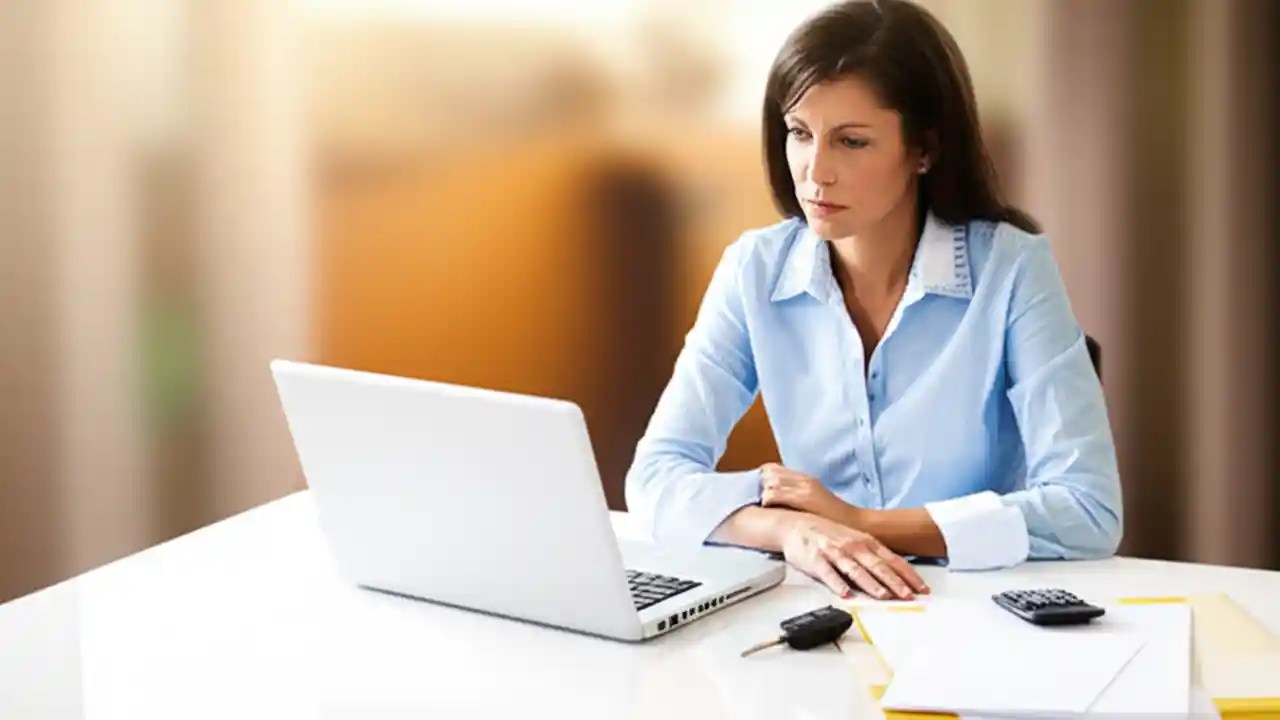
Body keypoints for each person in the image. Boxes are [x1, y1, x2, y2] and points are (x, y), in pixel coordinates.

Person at [624, 0, 1122, 601]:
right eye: (800, 134)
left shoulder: (1012, 270)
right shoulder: (755, 270)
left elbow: (1089, 510)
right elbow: (654, 479)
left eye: (852, 142)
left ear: (924, 149)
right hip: (823, 609)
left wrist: (860, 524)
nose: (816, 173)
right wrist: (792, 529)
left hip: (976, 612)